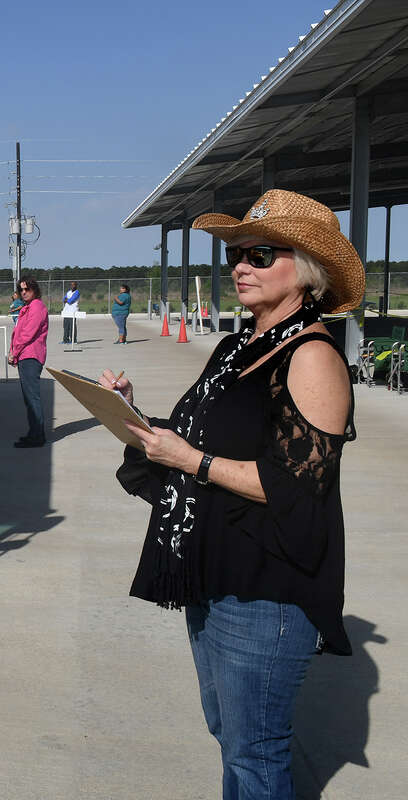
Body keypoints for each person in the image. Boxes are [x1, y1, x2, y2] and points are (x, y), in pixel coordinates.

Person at [103, 189, 363, 800]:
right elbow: (202, 433)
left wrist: (190, 461)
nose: (241, 266)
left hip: (267, 587)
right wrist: (132, 411)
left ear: (306, 270)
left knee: (255, 753)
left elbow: (297, 485)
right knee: (230, 732)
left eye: (260, 254)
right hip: (216, 566)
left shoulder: (311, 355)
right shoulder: (237, 346)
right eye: (236, 254)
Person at [8, 276, 49, 447]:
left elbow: (27, 333)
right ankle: (34, 433)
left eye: (27, 289)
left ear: (34, 289)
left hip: (31, 356)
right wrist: (14, 351)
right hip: (24, 355)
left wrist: (14, 352)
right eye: (21, 290)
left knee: (32, 398)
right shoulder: (28, 307)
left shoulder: (37, 307)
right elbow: (19, 332)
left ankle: (37, 437)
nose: (24, 292)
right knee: (29, 399)